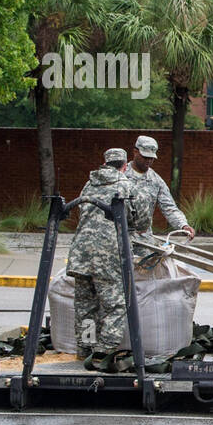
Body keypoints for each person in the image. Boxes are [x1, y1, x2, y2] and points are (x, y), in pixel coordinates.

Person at [66, 148, 150, 364]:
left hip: (81, 252)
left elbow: (80, 211)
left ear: (104, 163)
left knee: (86, 305)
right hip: (109, 253)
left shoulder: (89, 184)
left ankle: (85, 348)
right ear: (124, 165)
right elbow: (141, 219)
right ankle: (103, 351)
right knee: (116, 304)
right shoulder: (125, 184)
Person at [125, 135, 196, 238]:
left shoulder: (156, 180)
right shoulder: (120, 175)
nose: (148, 161)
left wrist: (183, 225)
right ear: (135, 152)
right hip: (119, 237)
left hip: (143, 238)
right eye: (145, 157)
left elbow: (169, 207)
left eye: (151, 158)